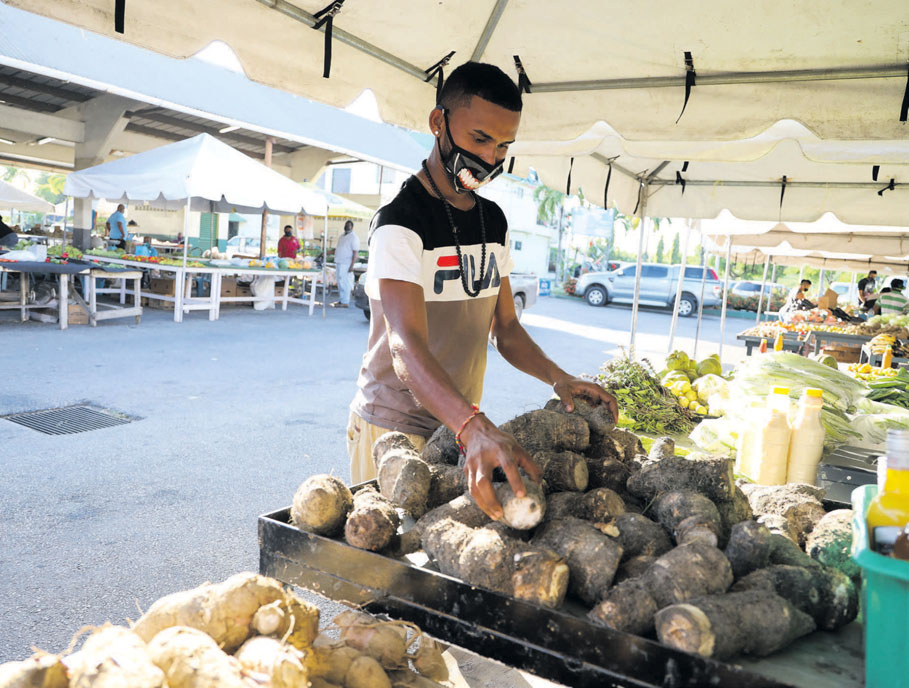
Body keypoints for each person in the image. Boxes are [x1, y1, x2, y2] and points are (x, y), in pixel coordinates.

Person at [347, 62, 617, 519]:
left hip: (459, 425)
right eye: (479, 139)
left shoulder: (494, 221)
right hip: (395, 427)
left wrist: (558, 378)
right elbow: (403, 344)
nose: (491, 158)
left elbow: (506, 327)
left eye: (503, 145)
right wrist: (471, 425)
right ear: (439, 123)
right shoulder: (400, 222)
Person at [332, 220, 360, 308]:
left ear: (352, 227)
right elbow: (337, 249)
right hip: (339, 262)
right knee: (340, 283)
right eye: (346, 225)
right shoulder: (342, 236)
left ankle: (345, 302)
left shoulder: (354, 237)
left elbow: (355, 253)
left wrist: (352, 266)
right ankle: (342, 300)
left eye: (349, 225)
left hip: (347, 264)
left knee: (345, 283)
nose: (347, 226)